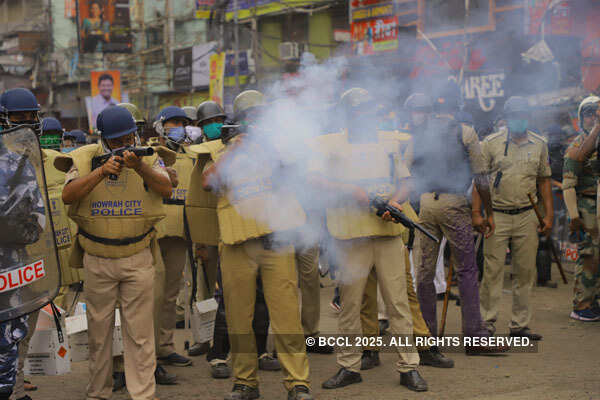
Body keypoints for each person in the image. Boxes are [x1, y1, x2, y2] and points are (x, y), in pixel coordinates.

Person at [197, 90, 314, 400]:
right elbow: (209, 183)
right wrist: (238, 150)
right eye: (250, 119)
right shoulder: (222, 149)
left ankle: (297, 383)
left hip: (277, 241)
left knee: (286, 315)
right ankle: (246, 382)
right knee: (238, 317)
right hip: (237, 244)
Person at [312, 88, 426, 393]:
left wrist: (398, 204)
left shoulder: (388, 143)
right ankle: (348, 365)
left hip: (387, 234)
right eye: (358, 111)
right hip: (349, 235)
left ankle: (409, 366)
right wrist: (351, 190)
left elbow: (406, 182)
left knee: (398, 303)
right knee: (350, 305)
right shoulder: (330, 144)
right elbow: (316, 180)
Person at [60, 105, 172, 400]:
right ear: (104, 141)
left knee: (141, 334)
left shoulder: (147, 154)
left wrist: (141, 167)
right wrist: (101, 171)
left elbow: (166, 188)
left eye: (128, 138)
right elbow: (68, 196)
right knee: (99, 334)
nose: (125, 146)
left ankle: (143, 394)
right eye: (117, 142)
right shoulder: (85, 158)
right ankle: (98, 392)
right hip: (97, 257)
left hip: (137, 255)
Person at [408, 84, 507, 354]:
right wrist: (487, 212)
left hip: (426, 205)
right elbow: (481, 178)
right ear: (456, 108)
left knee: (425, 273)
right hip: (454, 205)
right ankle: (475, 337)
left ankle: (425, 337)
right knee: (466, 269)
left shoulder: (418, 135)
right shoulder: (465, 132)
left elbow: (407, 173)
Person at [476, 96, 553, 340]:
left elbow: (544, 181)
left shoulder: (540, 144)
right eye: (514, 116)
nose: (518, 120)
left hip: (527, 217)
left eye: (522, 115)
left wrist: (548, 216)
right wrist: (477, 214)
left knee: (525, 272)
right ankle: (486, 324)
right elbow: (479, 180)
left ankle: (519, 326)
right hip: (496, 215)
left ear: (528, 117)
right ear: (506, 118)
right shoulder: (491, 143)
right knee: (492, 271)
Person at [0, 88, 47, 400]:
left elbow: (38, 221)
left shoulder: (24, 163)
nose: (27, 124)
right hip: (9, 260)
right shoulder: (16, 164)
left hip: (13, 264)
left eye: (31, 117)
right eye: (19, 118)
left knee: (11, 331)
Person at [152, 106, 195, 369]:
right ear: (161, 126)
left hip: (180, 233)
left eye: (181, 122)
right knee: (152, 294)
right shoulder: (150, 153)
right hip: (154, 231)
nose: (177, 127)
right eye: (172, 123)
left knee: (170, 293)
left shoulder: (192, 156)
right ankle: (146, 350)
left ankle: (165, 347)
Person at [562, 96, 600, 321]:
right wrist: (574, 216)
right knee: (588, 255)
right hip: (586, 206)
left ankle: (594, 300)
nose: (592, 118)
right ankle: (582, 305)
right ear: (580, 117)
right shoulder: (577, 146)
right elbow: (568, 184)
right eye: (588, 113)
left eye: (595, 113)